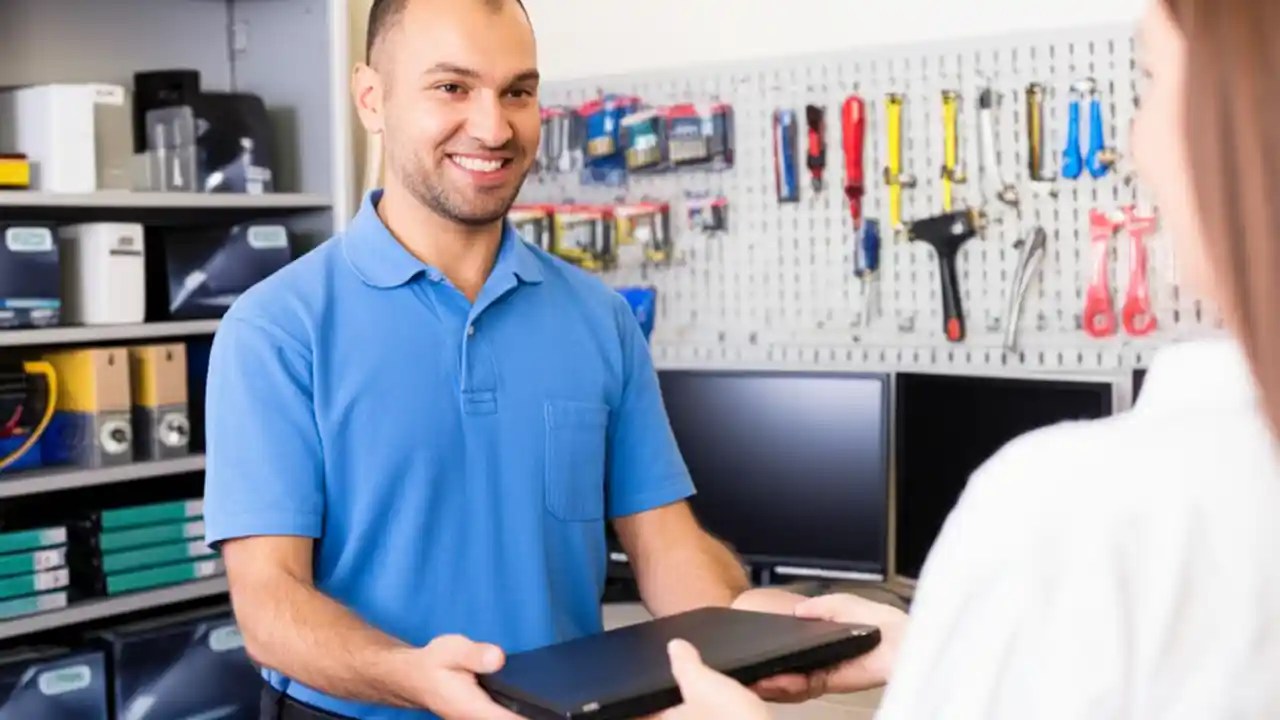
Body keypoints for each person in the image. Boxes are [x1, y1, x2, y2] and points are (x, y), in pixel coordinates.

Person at [201, 1, 891, 718]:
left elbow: (666, 545)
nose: (494, 127)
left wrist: (755, 626)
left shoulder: (599, 319)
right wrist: (409, 674)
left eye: (518, 92)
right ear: (372, 98)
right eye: (452, 88)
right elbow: (270, 602)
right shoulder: (277, 329)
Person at [658, 0, 1280, 717]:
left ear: (1232, 117)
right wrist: (947, 644)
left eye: (1150, 78)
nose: (1136, 141)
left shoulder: (1067, 504)